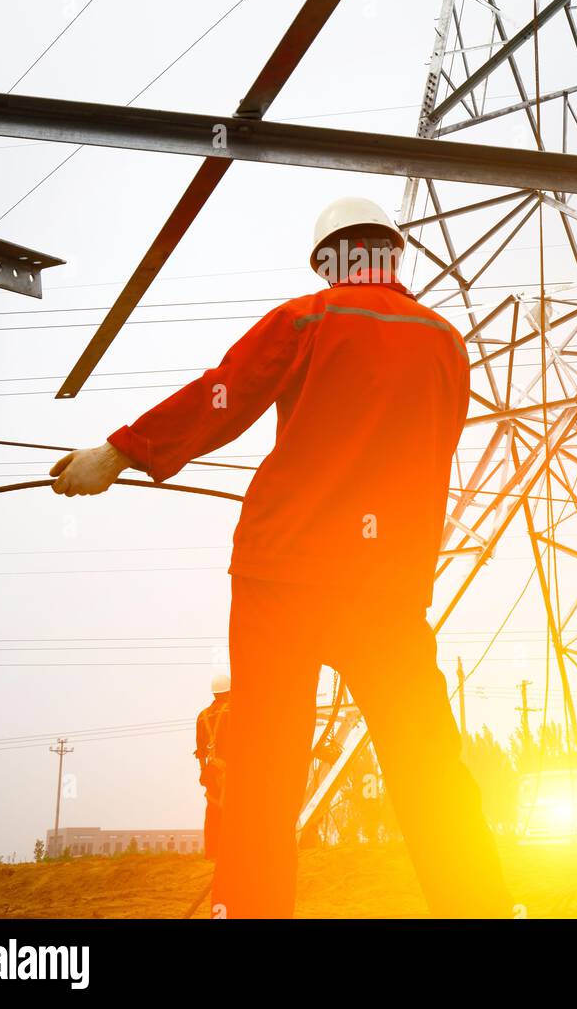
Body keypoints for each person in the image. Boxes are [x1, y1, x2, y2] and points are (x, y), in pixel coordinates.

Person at [50, 196, 511, 920]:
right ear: (390, 255)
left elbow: (220, 398)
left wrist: (121, 451)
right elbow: (434, 448)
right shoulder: (447, 343)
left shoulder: (307, 318)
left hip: (282, 577)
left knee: (266, 775)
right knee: (429, 771)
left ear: (328, 260)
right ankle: (483, 910)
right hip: (387, 589)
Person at [196, 674, 232, 860]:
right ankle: (232, 851)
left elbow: (200, 752)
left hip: (211, 770)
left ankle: (212, 853)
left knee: (213, 811)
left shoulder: (202, 717)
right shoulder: (233, 711)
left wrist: (204, 772)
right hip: (231, 769)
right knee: (233, 810)